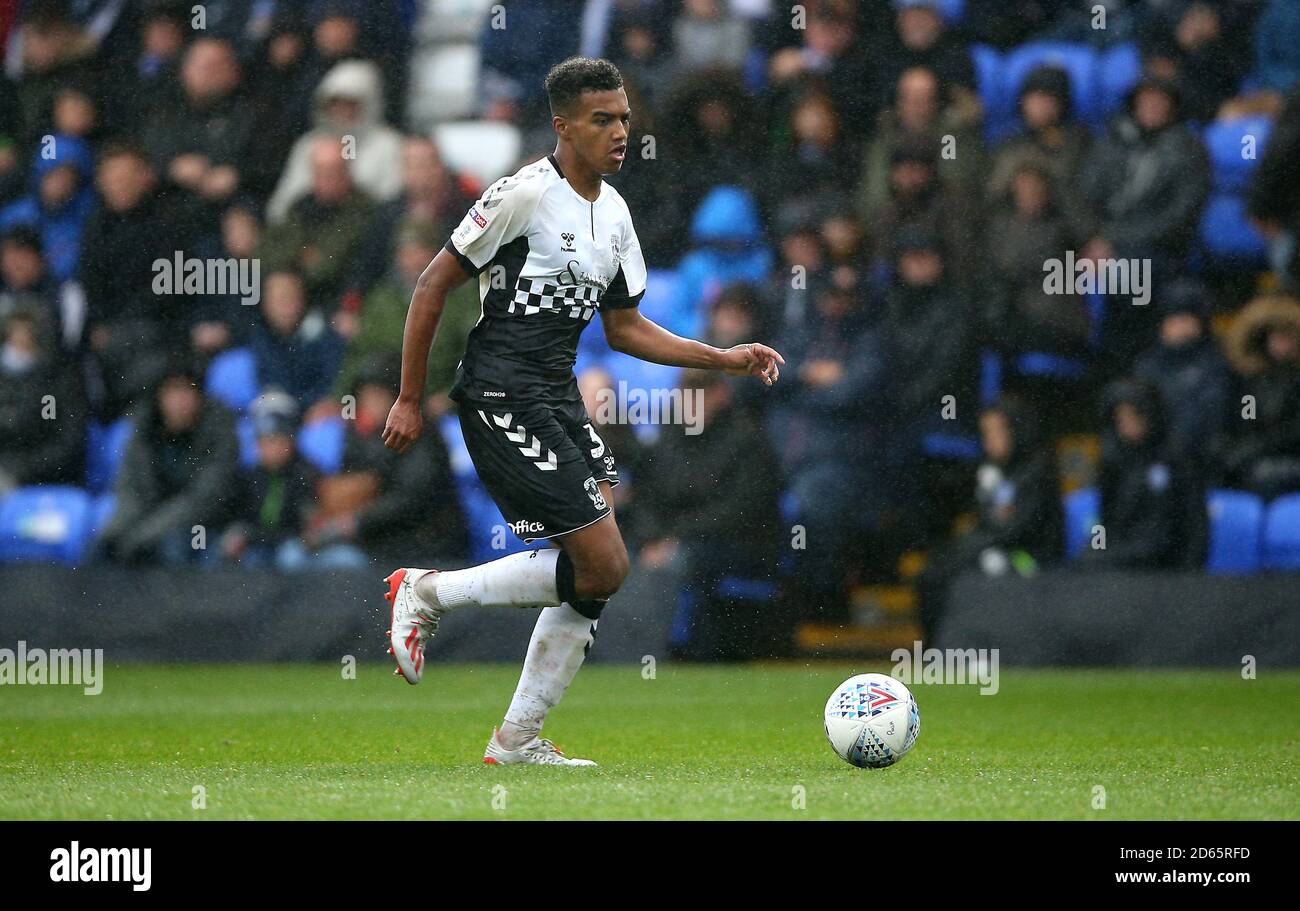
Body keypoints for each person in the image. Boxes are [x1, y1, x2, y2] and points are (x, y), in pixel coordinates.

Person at [379, 57, 783, 766]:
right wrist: (412, 396)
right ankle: (428, 592)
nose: (620, 131)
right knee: (604, 562)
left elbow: (626, 328)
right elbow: (431, 284)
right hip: (500, 396)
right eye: (603, 119)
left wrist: (721, 357)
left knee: (595, 570)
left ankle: (517, 738)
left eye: (624, 117)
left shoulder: (617, 214)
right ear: (563, 126)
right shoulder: (522, 195)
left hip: (556, 399)